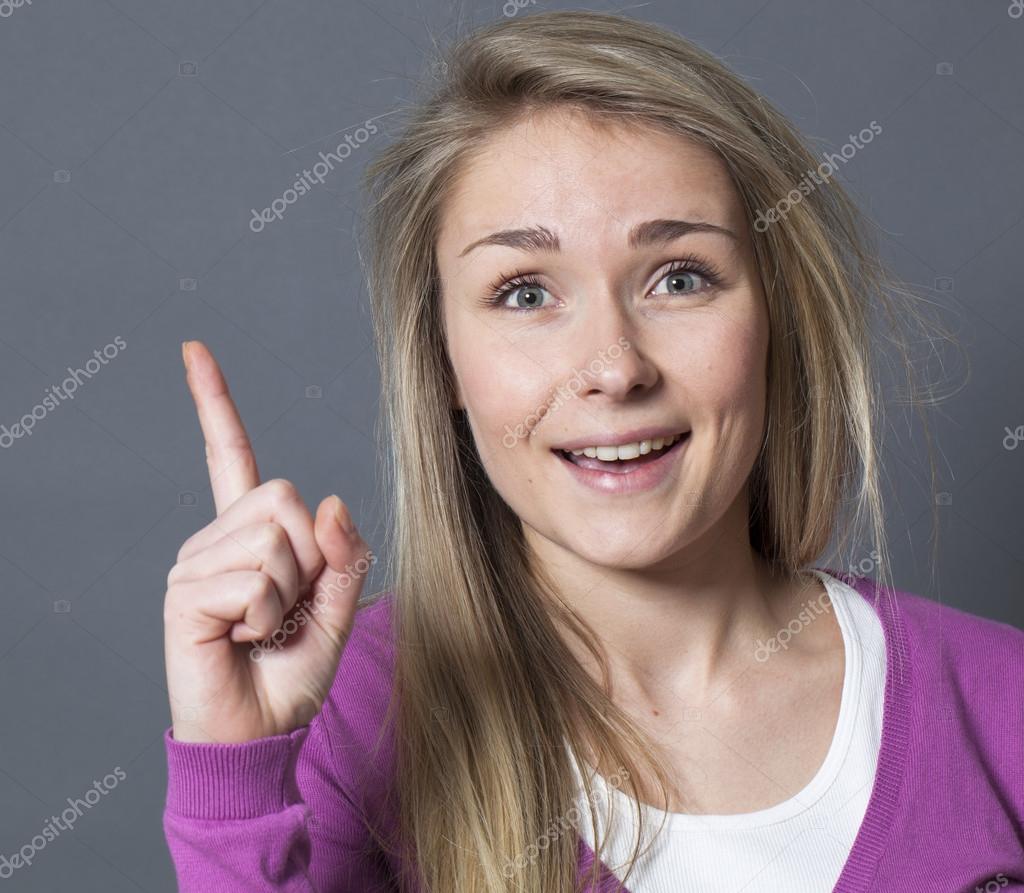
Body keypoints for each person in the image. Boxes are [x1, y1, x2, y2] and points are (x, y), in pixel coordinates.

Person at [161, 11, 1024, 892]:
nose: (614, 369)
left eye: (680, 277)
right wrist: (235, 782)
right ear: (443, 358)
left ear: (774, 318)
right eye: (526, 292)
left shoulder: (1005, 703)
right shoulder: (352, 720)